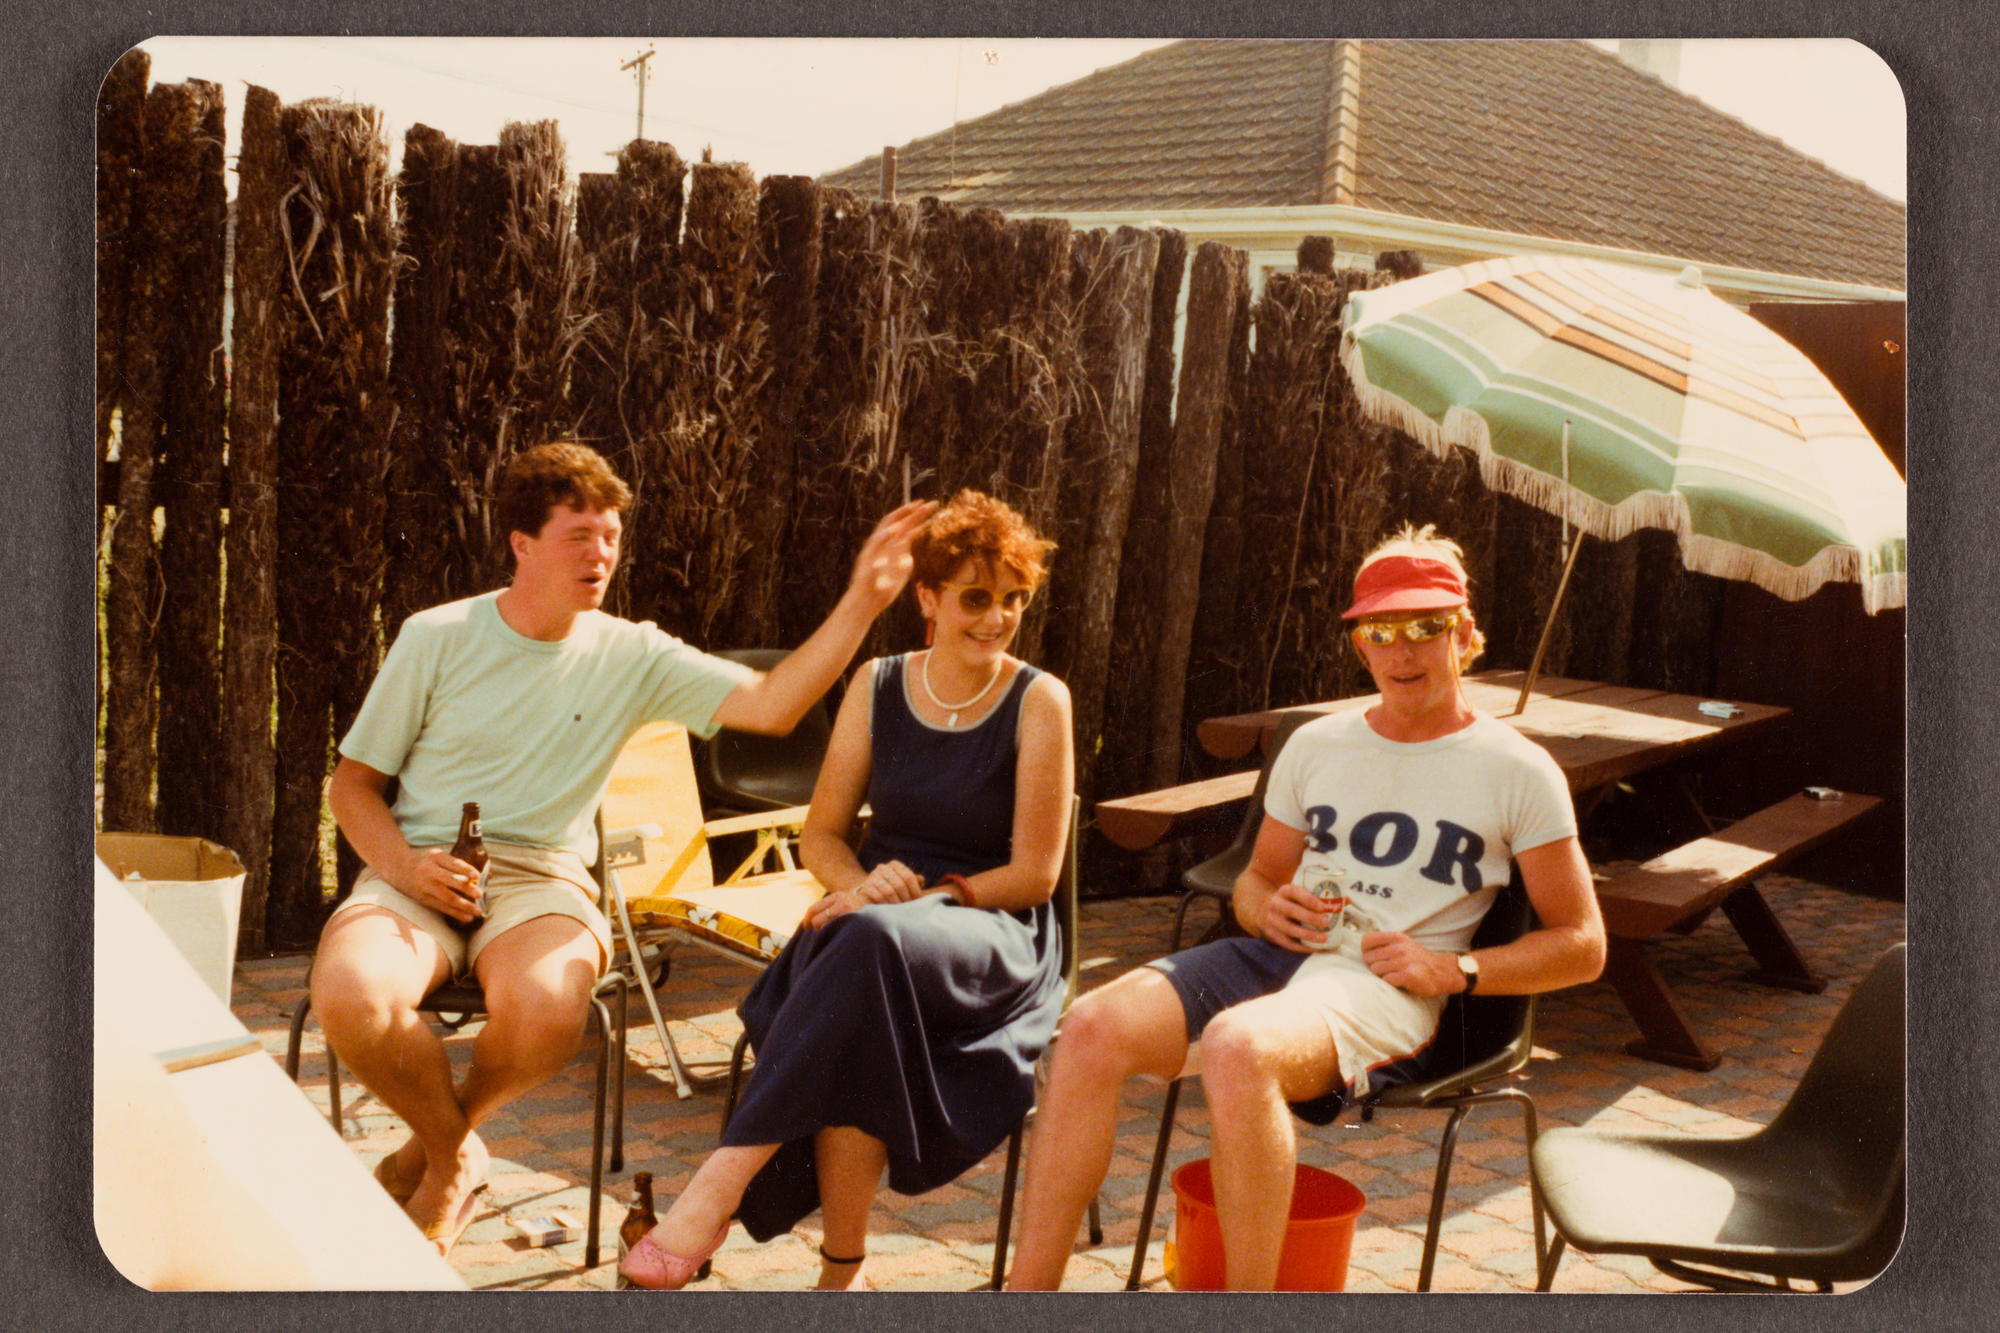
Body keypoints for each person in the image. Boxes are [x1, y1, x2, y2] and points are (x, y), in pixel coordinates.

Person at [311, 441, 933, 1256]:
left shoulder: (631, 653)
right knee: (354, 996)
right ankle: (458, 1157)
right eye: (579, 537)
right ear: (522, 544)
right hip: (417, 862)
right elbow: (351, 785)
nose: (601, 554)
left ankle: (433, 1150)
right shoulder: (437, 637)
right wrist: (406, 868)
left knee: (549, 1010)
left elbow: (775, 705)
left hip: (541, 875)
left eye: (610, 537)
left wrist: (863, 599)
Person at [1005, 522, 1607, 1290]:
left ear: (1464, 634)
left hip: (1386, 980)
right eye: (1380, 629)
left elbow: (1583, 943)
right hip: (1278, 956)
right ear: (1359, 643)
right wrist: (1265, 909)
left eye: (1425, 627)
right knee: (1089, 1027)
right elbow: (1254, 881)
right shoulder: (1318, 743)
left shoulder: (1519, 770)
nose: (1402, 651)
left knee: (1237, 1047)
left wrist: (1452, 965)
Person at [620, 489, 1075, 1291]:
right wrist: (865, 884)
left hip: (989, 921)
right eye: (976, 597)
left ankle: (719, 1184)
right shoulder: (878, 683)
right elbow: (820, 836)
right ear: (927, 598)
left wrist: (916, 900)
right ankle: (842, 1275)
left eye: (1014, 599)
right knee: (859, 976)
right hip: (879, 923)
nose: (998, 618)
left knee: (857, 946)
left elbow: (1036, 873)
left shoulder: (1040, 698)